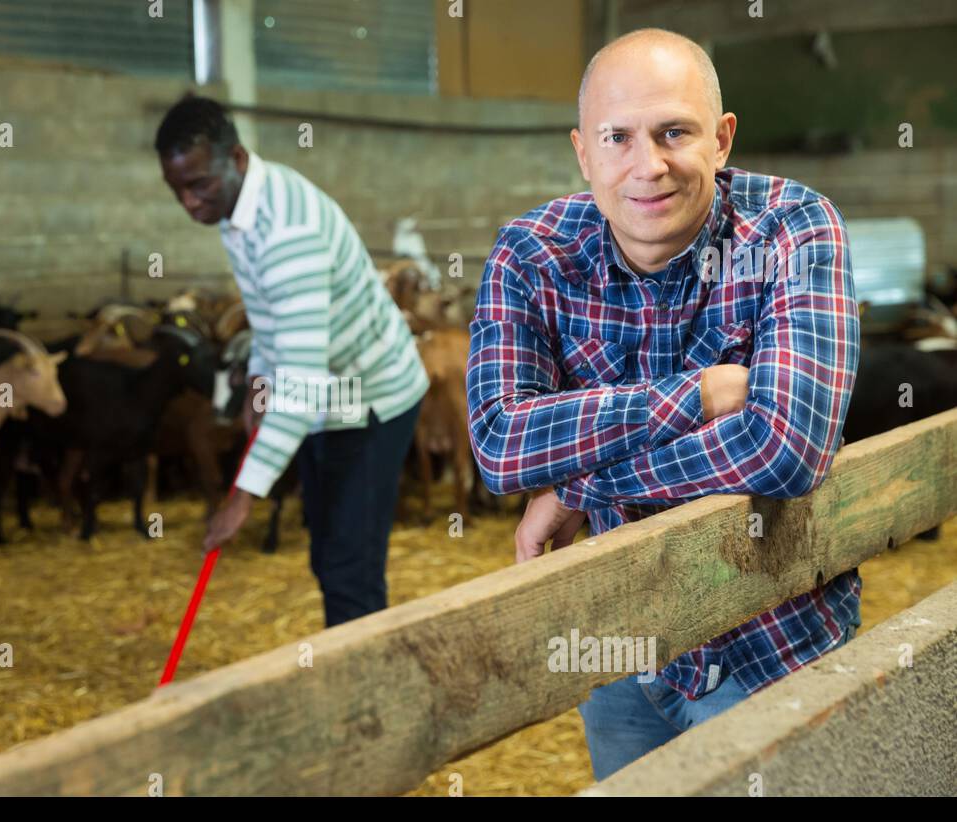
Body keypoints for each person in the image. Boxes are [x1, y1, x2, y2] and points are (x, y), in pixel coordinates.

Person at [466, 29, 861, 780]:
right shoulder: (531, 254)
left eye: (674, 131)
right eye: (618, 137)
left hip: (773, 645)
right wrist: (700, 395)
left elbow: (787, 445)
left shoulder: (793, 229)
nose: (646, 165)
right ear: (584, 152)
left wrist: (577, 483)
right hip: (620, 648)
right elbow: (499, 445)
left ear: (721, 138)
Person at [155, 96, 429, 627]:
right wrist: (260, 384)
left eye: (199, 186)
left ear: (235, 159)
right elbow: (269, 317)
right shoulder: (237, 211)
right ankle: (342, 666)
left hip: (371, 397)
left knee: (350, 565)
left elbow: (301, 385)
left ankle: (365, 697)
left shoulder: (287, 232)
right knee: (326, 550)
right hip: (327, 395)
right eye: (177, 190)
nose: (189, 204)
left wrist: (242, 496)